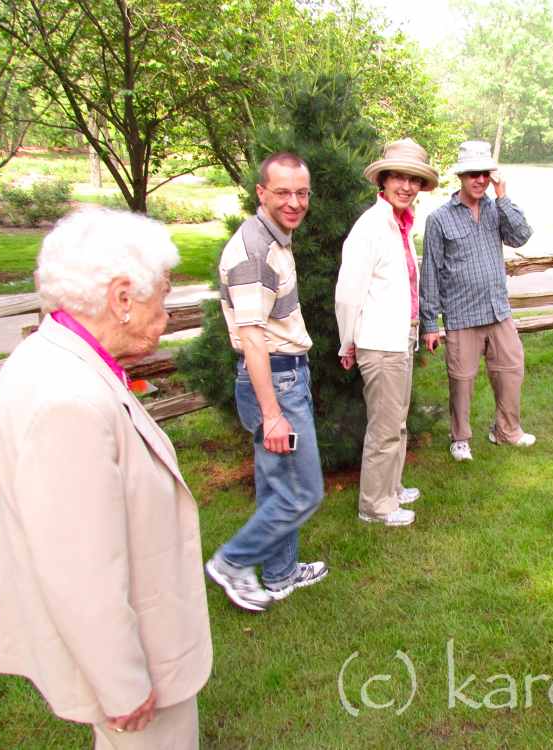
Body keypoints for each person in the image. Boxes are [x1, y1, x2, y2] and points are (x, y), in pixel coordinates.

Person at [0, 207, 213, 749]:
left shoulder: (57, 360)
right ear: (122, 298)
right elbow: (78, 568)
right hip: (134, 664)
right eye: (162, 293)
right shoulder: (68, 400)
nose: (166, 311)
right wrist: (121, 684)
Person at [205, 152, 328, 612]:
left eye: (302, 193)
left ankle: (280, 573)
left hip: (285, 373)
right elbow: (253, 340)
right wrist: (273, 414)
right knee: (303, 492)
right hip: (275, 380)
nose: (294, 202)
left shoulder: (274, 239)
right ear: (261, 193)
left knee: (279, 487)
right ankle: (232, 562)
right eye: (282, 193)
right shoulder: (254, 253)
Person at [335, 138, 439, 527]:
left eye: (414, 180)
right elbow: (348, 294)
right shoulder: (371, 227)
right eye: (399, 177)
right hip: (380, 344)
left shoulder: (401, 224)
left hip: (400, 339)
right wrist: (348, 341)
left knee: (397, 422)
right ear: (384, 179)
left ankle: (391, 487)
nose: (406, 186)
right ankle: (375, 506)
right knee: (384, 429)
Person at [420, 140, 535, 462]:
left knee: (511, 370)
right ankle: (460, 439)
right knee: (462, 381)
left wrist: (503, 196)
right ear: (461, 176)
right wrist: (430, 324)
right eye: (473, 174)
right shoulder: (439, 219)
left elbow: (521, 236)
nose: (480, 180)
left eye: (485, 173)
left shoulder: (496, 209)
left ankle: (506, 430)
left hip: (498, 311)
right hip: (461, 315)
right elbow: (430, 272)